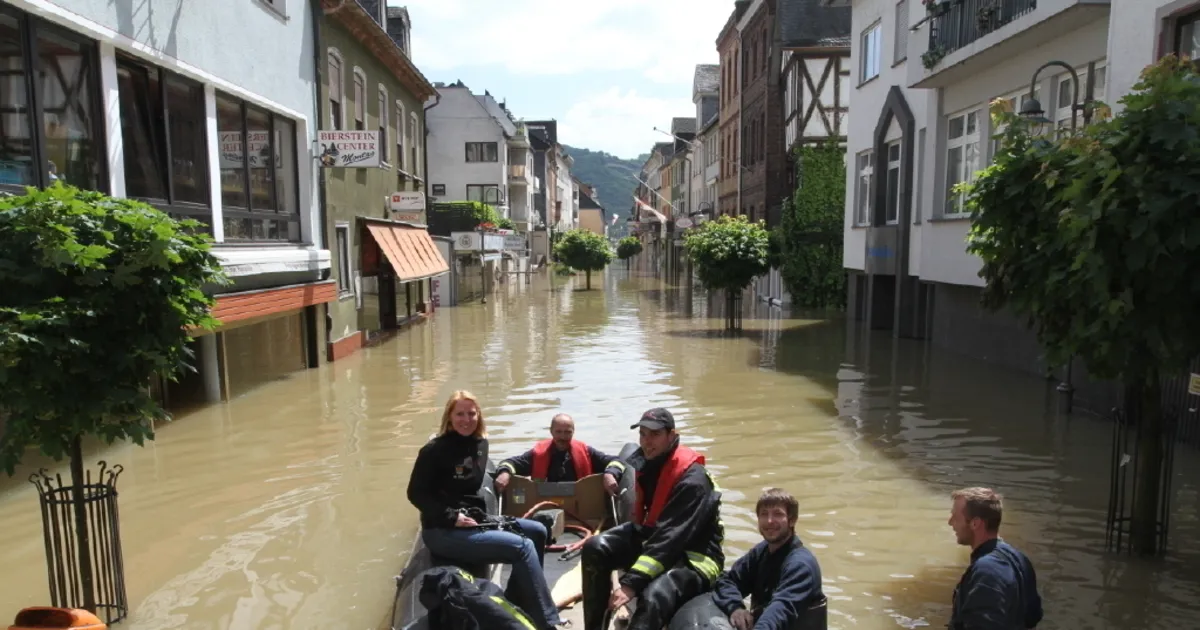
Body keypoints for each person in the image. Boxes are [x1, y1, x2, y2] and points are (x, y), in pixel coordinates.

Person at [406, 390, 569, 630]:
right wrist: (452, 517)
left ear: (479, 415)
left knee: (536, 531)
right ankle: (547, 622)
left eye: (471, 413)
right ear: (449, 417)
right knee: (521, 547)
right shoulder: (434, 451)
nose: (466, 419)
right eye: (459, 414)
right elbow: (416, 494)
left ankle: (518, 602)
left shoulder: (480, 444)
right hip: (442, 530)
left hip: (475, 520)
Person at [579, 408, 725, 630]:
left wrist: (630, 584)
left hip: (695, 555)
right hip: (655, 538)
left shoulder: (693, 481)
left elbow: (671, 539)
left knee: (653, 594)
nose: (647, 442)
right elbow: (652, 528)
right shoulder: (648, 463)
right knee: (595, 547)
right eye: (643, 434)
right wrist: (613, 471)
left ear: (672, 436)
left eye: (655, 435)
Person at [711, 488, 826, 630]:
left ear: (792, 520)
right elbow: (727, 581)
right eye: (764, 514)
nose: (770, 521)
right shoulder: (762, 552)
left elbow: (780, 610)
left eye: (778, 514)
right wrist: (735, 607)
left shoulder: (801, 565)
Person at [947, 487, 1043, 630]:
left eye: (955, 517)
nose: (950, 522)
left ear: (975, 523)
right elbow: (1033, 616)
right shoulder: (1019, 559)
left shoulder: (986, 572)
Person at [494, 413, 629, 494]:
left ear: (573, 432)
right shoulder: (537, 454)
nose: (563, 437)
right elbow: (509, 463)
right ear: (551, 431)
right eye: (559, 432)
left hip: (581, 507)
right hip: (545, 507)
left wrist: (611, 473)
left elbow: (618, 461)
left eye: (567, 432)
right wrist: (504, 472)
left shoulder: (586, 452)